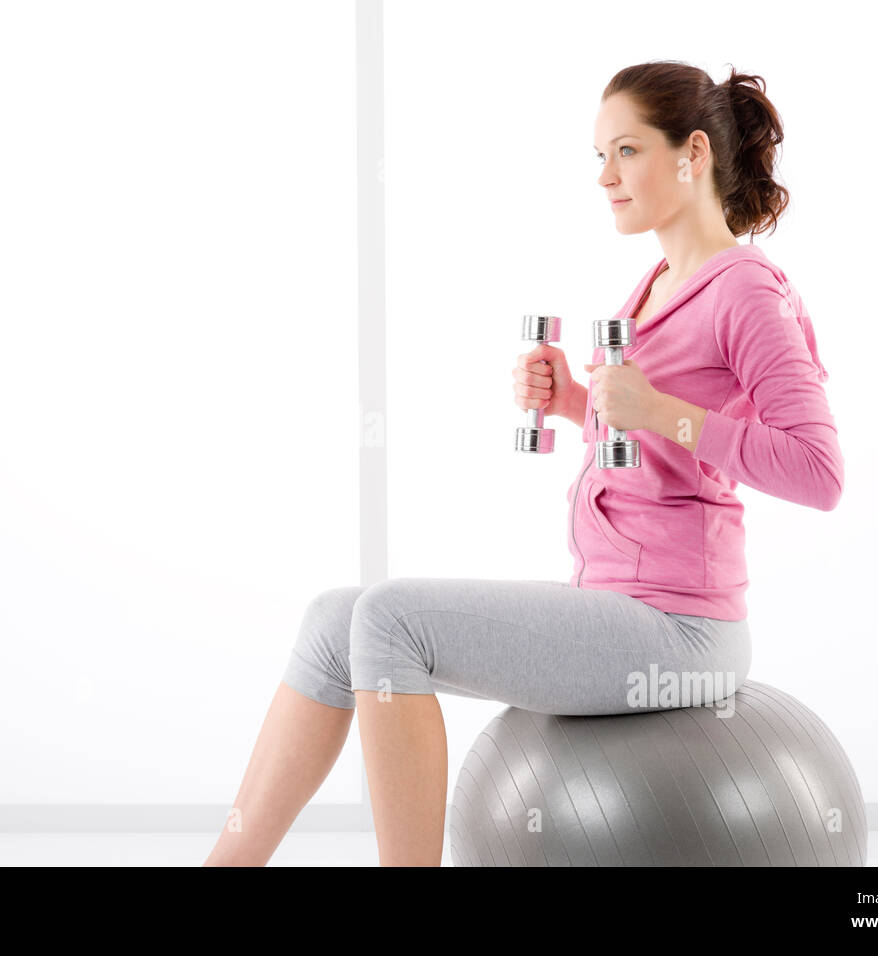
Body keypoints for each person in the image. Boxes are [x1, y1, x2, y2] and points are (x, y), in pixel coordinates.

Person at [204, 61, 843, 867]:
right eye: (598, 157)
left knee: (390, 619)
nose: (605, 177)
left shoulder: (747, 290)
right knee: (337, 618)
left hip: (682, 630)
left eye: (626, 151)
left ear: (693, 155)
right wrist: (579, 401)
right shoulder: (655, 281)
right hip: (612, 598)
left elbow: (819, 472)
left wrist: (659, 410)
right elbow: (656, 446)